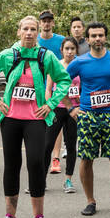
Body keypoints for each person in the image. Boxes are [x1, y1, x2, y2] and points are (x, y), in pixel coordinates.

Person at [0, 16, 72, 218]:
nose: (29, 33)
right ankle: (9, 216)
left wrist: (50, 104)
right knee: (11, 165)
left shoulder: (46, 56)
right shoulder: (7, 55)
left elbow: (64, 79)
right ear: (19, 32)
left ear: (38, 32)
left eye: (33, 29)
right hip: (10, 118)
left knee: (36, 164)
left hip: (36, 119)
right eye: (25, 29)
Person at [66, 22, 110, 216]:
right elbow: (61, 82)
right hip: (88, 116)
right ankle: (90, 201)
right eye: (94, 36)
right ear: (87, 40)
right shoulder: (80, 62)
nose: (97, 39)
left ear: (105, 38)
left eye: (101, 35)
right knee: (87, 158)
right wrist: (71, 108)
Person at [46, 37, 80, 194]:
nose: (70, 51)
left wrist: (80, 104)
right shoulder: (55, 65)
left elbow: (84, 88)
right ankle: (41, 180)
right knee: (47, 145)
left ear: (76, 50)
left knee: (72, 145)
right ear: (61, 50)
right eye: (67, 48)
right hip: (57, 109)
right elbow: (48, 89)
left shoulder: (80, 66)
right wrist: (49, 107)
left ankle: (68, 180)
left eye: (72, 48)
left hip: (74, 110)